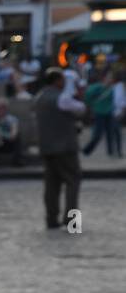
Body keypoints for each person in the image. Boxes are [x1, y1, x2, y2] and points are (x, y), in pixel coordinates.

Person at [34, 67, 85, 229]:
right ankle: (72, 220)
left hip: (47, 147)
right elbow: (80, 109)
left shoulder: (39, 97)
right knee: (72, 182)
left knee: (51, 184)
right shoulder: (62, 98)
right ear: (57, 81)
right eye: (62, 79)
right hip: (65, 147)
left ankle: (51, 219)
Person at [81, 69, 121, 158]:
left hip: (109, 113)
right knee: (97, 135)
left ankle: (112, 152)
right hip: (99, 113)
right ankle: (86, 150)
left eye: (111, 78)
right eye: (109, 77)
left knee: (111, 133)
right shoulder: (96, 87)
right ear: (104, 78)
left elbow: (115, 101)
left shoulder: (112, 88)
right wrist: (91, 107)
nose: (110, 79)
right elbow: (87, 96)